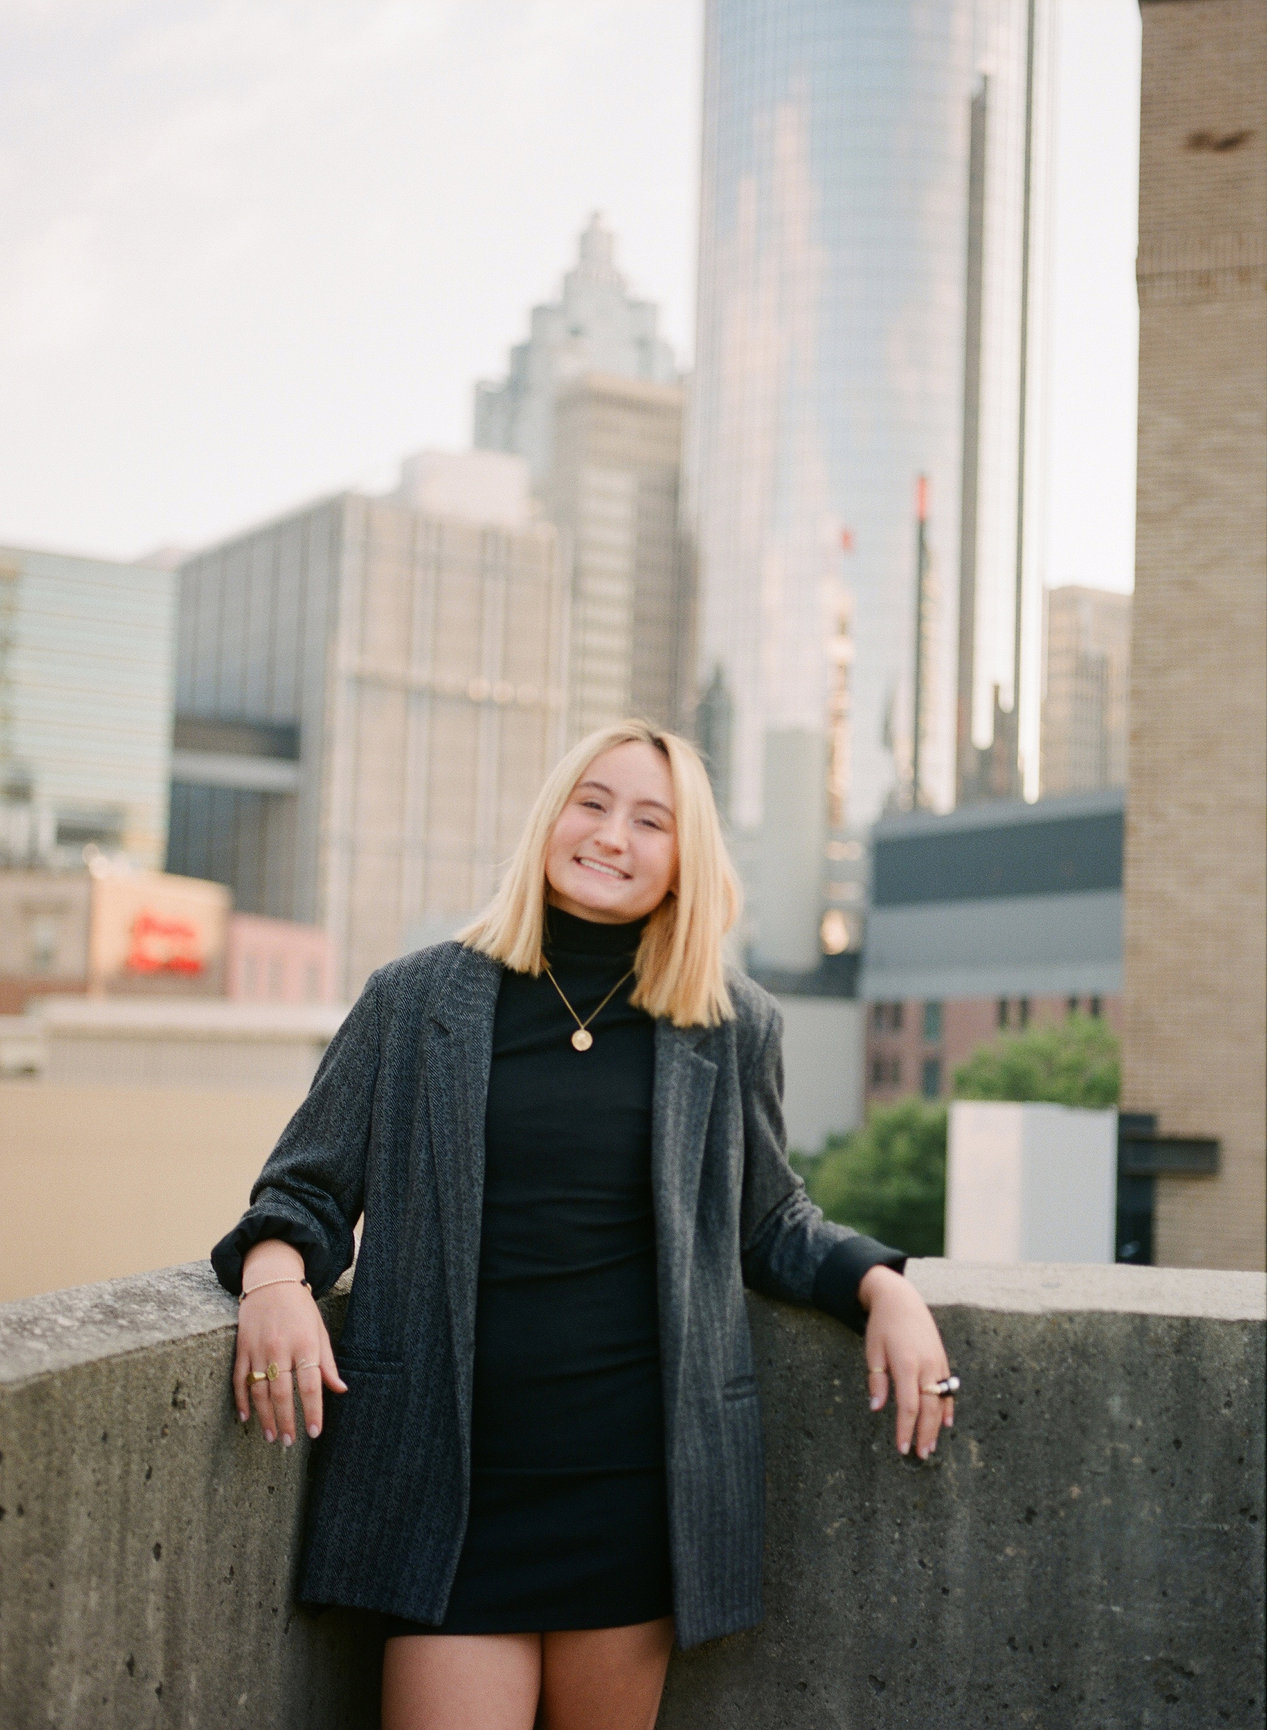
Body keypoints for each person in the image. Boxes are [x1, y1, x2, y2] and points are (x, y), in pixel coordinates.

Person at [212, 720, 956, 1730]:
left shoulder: (730, 1025)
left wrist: (885, 1285)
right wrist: (274, 1280)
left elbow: (771, 1220)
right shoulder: (415, 997)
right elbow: (302, 1188)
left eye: (651, 820)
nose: (612, 834)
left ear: (684, 859)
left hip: (631, 1488)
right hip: (445, 1482)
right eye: (592, 802)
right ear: (549, 818)